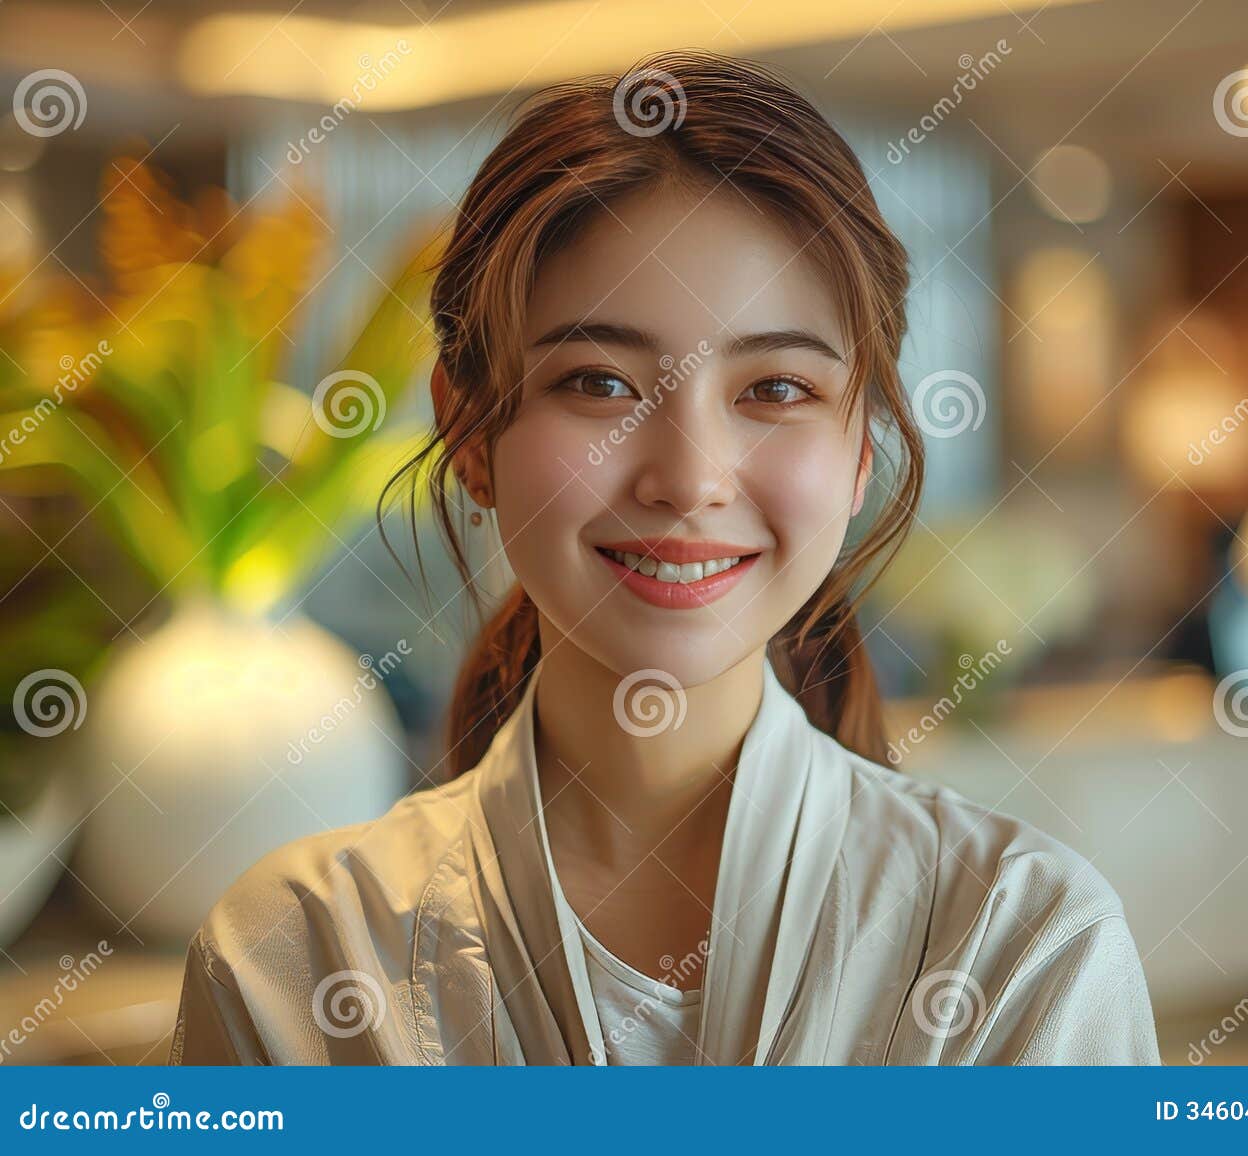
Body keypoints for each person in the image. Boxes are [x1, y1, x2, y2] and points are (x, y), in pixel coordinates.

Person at [169, 51, 1159, 1066]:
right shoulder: (294, 960)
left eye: (774, 389)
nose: (688, 479)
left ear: (861, 452)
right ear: (468, 432)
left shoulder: (1020, 946)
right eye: (598, 382)